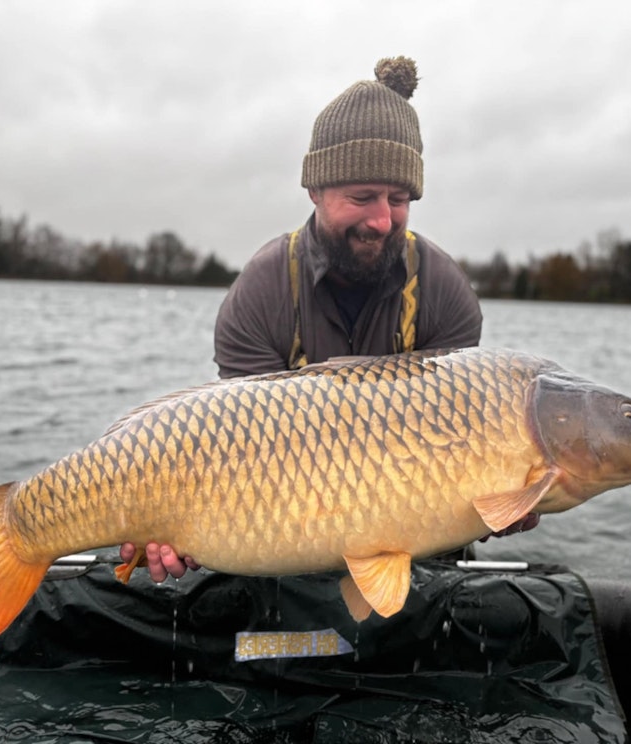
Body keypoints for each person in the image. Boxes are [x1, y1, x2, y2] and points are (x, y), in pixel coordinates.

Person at [120, 56, 537, 583]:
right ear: (315, 191)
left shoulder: (444, 294)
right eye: (361, 197)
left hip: (416, 557)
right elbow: (238, 458)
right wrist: (184, 527)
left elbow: (457, 471)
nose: (382, 220)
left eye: (399, 199)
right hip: (282, 538)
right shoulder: (261, 292)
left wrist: (506, 502)